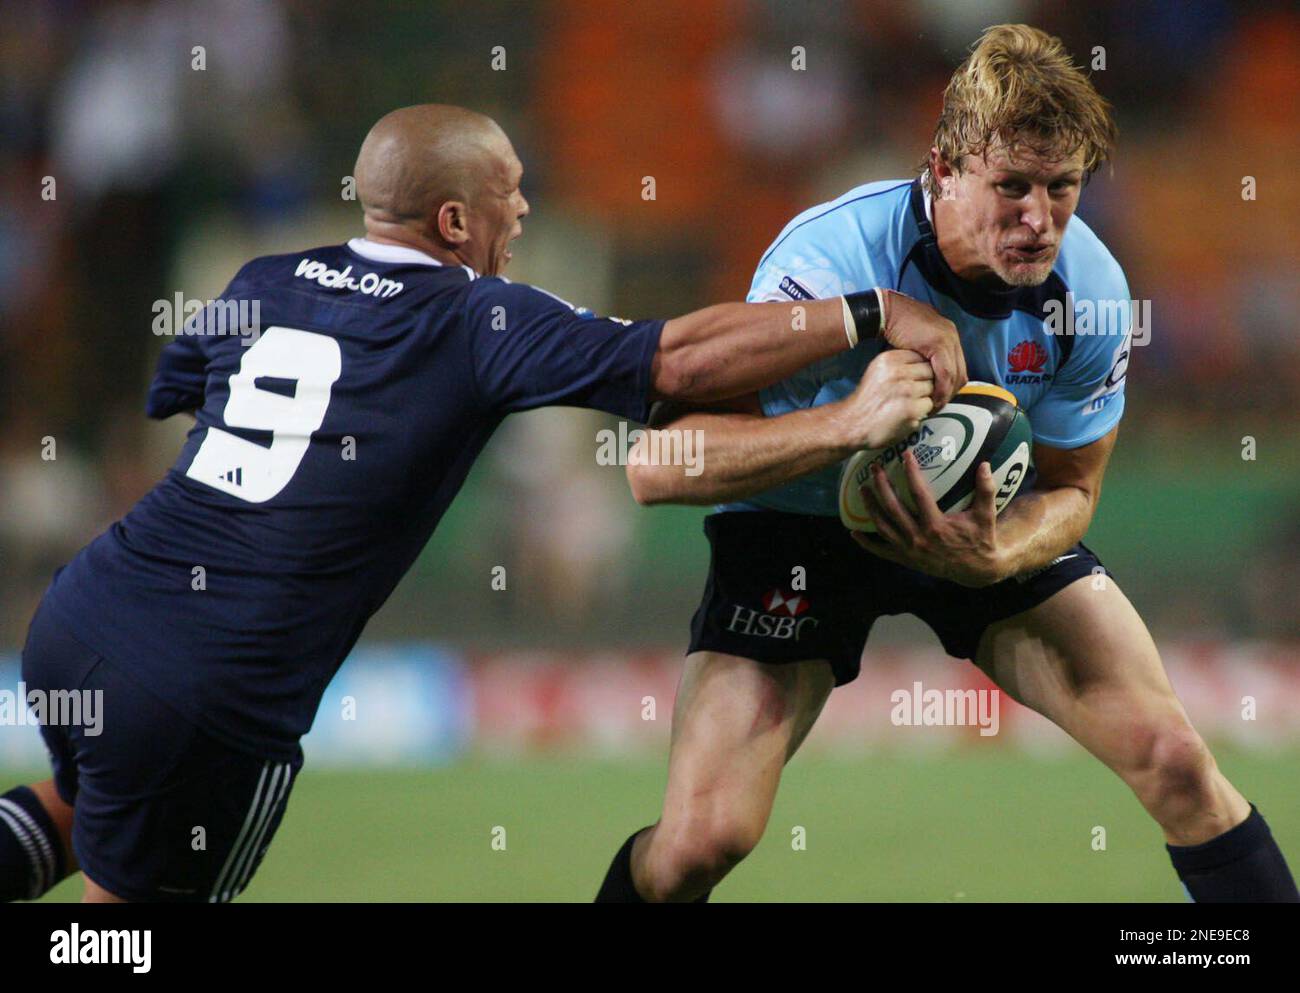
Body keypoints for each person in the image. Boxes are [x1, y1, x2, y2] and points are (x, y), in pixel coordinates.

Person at [1, 104, 964, 903]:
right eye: (510, 190)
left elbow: (170, 398)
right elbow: (677, 360)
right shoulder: (477, 316)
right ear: (457, 222)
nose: (526, 205)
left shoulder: (262, 279)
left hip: (83, 616)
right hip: (209, 693)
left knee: (86, 812)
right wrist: (869, 313)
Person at [595, 25, 1298, 904]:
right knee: (702, 841)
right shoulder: (827, 263)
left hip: (980, 520)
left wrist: (1000, 554)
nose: (1038, 220)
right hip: (797, 528)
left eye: (1061, 188)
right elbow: (656, 464)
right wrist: (846, 424)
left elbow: (1074, 489)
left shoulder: (1094, 291)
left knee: (1178, 762)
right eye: (1010, 187)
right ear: (944, 169)